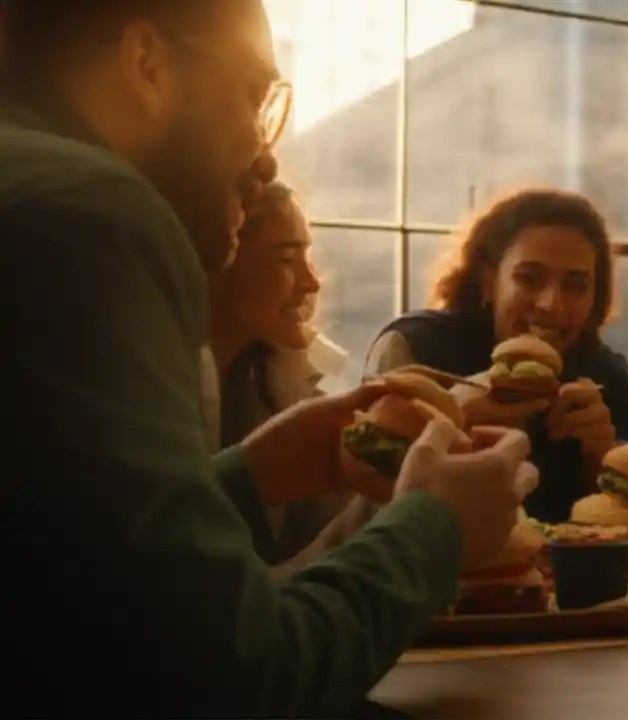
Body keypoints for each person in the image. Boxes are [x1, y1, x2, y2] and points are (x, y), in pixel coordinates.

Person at [0, 1, 532, 714]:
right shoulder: (89, 214)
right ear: (145, 63)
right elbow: (233, 677)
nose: (267, 151)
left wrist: (248, 475)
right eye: (256, 96)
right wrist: (435, 527)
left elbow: (62, 584)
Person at [366, 188, 628, 523]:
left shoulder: (607, 378)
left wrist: (604, 461)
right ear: (488, 281)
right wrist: (451, 425)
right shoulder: (414, 350)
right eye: (529, 278)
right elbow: (365, 502)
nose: (551, 304)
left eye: (576, 285)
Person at [207, 180, 370, 568]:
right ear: (220, 259)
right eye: (285, 259)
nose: (312, 282)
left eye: (306, 258)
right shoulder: (162, 393)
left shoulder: (274, 386)